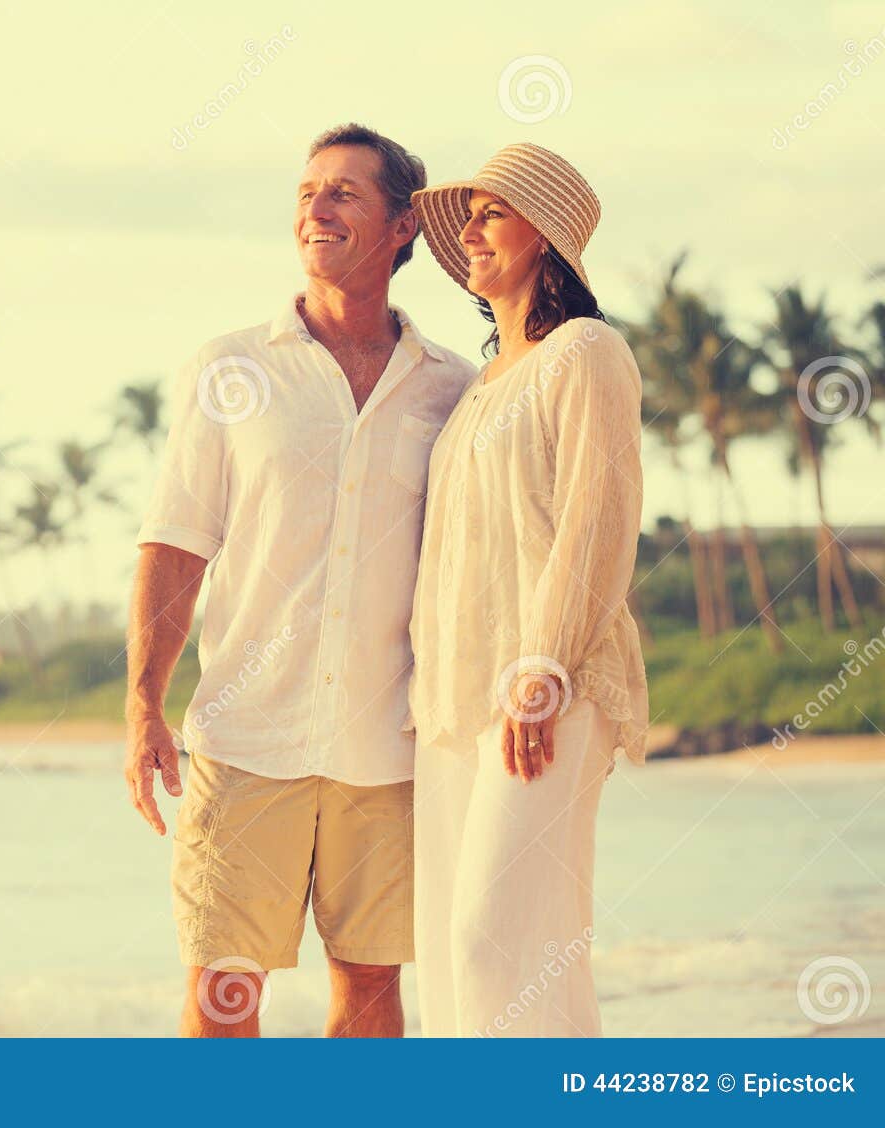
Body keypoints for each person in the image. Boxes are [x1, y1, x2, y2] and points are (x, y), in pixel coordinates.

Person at [124, 123, 475, 1037]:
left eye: (346, 193)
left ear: (403, 227)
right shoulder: (231, 370)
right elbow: (175, 545)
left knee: (371, 993)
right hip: (248, 737)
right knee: (223, 995)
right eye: (307, 191)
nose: (316, 208)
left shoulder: (454, 388)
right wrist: (142, 707)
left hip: (389, 745)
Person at [404, 142, 650, 1036]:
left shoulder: (586, 352)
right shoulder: (477, 387)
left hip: (548, 685)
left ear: (543, 237)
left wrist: (541, 668)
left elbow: (596, 518)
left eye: (491, 210)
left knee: (493, 941)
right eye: (465, 213)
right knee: (475, 956)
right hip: (454, 701)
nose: (469, 227)